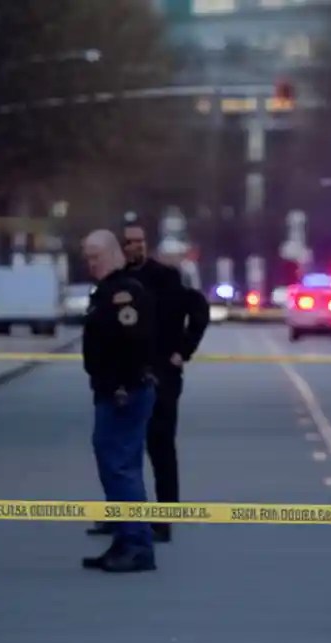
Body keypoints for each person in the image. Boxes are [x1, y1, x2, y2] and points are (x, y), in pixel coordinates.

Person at [87, 221, 209, 543]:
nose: (135, 247)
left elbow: (198, 309)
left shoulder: (165, 278)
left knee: (160, 445)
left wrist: (183, 351)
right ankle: (122, 516)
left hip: (162, 376)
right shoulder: (115, 282)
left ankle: (164, 518)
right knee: (123, 451)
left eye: (139, 241)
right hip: (126, 376)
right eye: (128, 242)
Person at [80, 229, 158, 573]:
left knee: (121, 467)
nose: (90, 263)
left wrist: (123, 386)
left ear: (112, 254)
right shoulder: (106, 292)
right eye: (87, 257)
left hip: (123, 393)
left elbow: (134, 344)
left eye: (95, 256)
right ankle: (124, 538)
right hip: (110, 390)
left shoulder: (124, 293)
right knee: (116, 465)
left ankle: (137, 544)